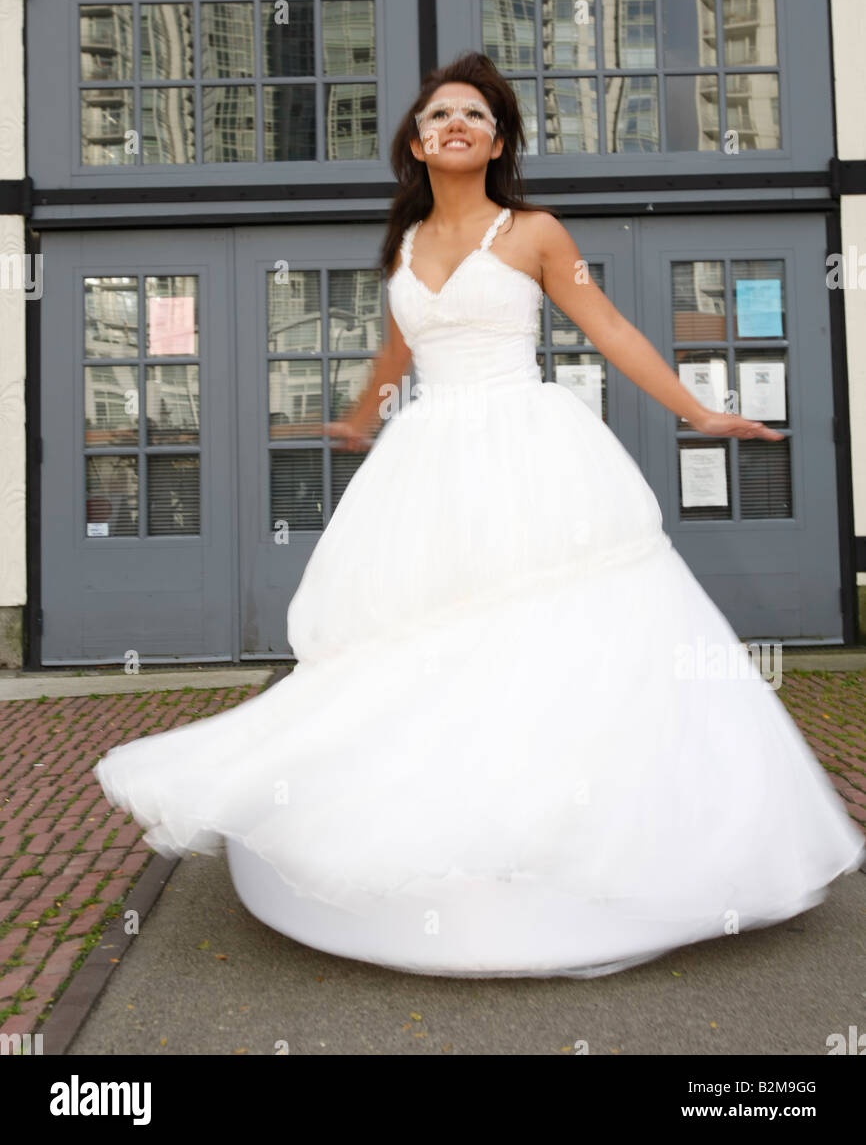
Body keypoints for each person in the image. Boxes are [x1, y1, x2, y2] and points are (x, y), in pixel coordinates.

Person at [94, 52, 865, 979]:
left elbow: (608, 326)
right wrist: (356, 417)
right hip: (431, 456)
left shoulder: (536, 231)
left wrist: (697, 410)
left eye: (473, 114)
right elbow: (395, 351)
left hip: (529, 443)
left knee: (549, 627)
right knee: (424, 641)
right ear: (416, 144)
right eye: (437, 116)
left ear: (497, 140)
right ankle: (443, 832)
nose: (454, 124)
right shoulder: (406, 244)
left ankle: (586, 840)